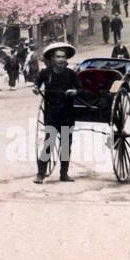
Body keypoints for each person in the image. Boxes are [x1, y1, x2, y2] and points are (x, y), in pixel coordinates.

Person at [34, 42, 79, 183]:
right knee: (49, 142)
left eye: (63, 57)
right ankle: (41, 173)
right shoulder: (45, 73)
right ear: (52, 58)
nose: (60, 59)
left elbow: (80, 89)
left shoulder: (71, 74)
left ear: (66, 59)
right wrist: (36, 88)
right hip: (51, 113)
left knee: (65, 144)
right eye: (58, 57)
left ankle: (64, 174)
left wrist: (74, 91)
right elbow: (37, 84)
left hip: (67, 114)